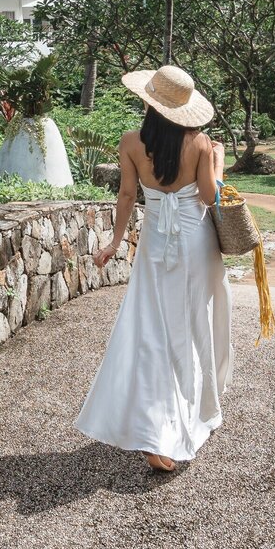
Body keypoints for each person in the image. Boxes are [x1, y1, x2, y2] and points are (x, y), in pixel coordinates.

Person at [76, 64, 234, 471]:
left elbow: (127, 195)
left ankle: (153, 428)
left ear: (149, 103)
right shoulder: (199, 143)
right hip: (195, 244)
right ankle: (185, 417)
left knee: (152, 329)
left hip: (154, 245)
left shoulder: (130, 142)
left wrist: (114, 241)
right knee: (193, 324)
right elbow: (208, 195)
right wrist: (218, 161)